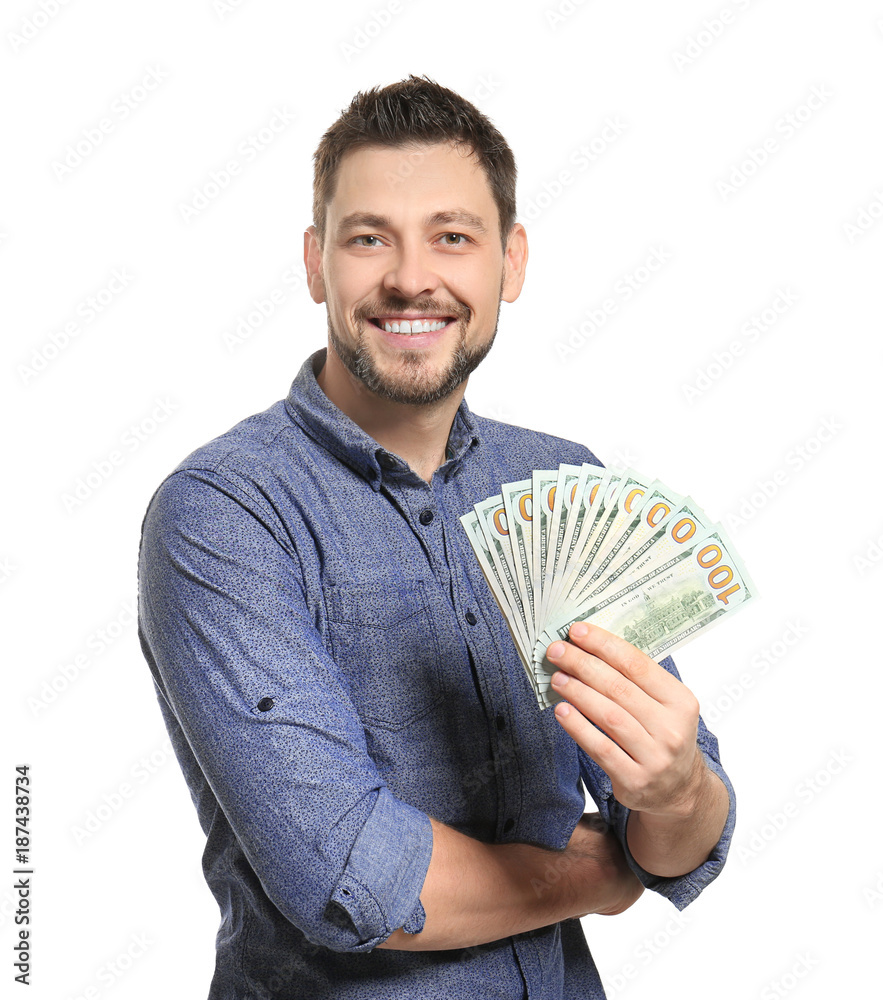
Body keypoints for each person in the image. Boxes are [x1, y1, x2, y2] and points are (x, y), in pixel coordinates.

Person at [137, 74, 735, 999]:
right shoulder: (222, 512)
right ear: (314, 263)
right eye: (369, 237)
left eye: (451, 237)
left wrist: (675, 793)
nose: (411, 276)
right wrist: (603, 874)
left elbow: (685, 839)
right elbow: (348, 877)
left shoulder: (566, 486)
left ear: (511, 261)